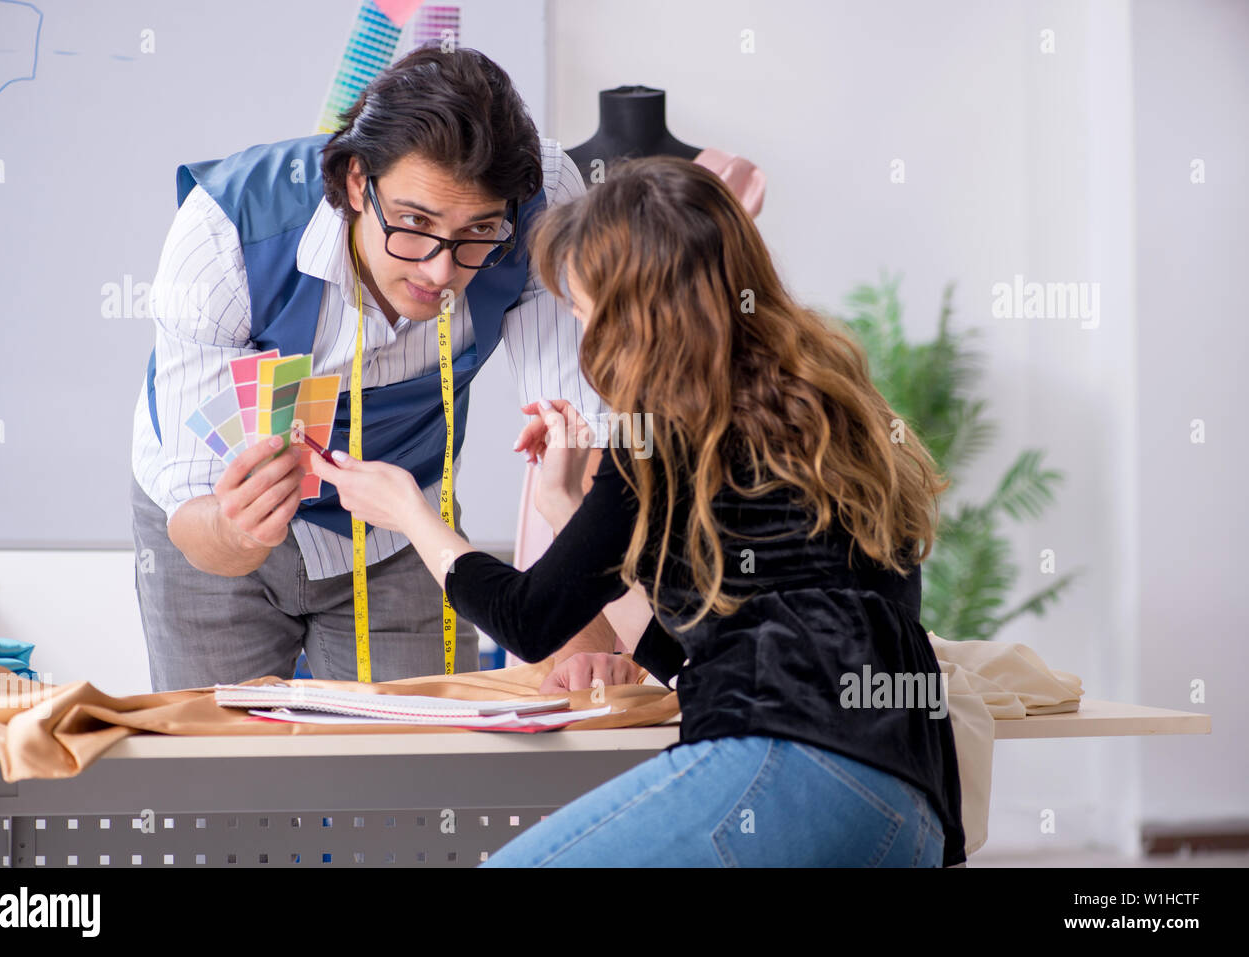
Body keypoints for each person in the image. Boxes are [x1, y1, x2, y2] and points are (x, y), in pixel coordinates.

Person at [307, 155, 968, 867]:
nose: (585, 338)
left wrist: (409, 511)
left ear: (639, 315)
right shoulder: (839, 419)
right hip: (909, 806)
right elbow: (704, 655)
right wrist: (563, 501)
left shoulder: (667, 426)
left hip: (783, 768)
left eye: (586, 312)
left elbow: (527, 620)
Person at [129, 44, 642, 692]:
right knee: (223, 776)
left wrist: (581, 638)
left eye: (478, 231)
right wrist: (240, 527)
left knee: (419, 775)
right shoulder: (224, 237)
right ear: (354, 181)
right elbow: (195, 514)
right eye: (413, 222)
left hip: (403, 526)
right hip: (217, 518)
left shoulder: (543, 202)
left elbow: (579, 439)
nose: (439, 270)